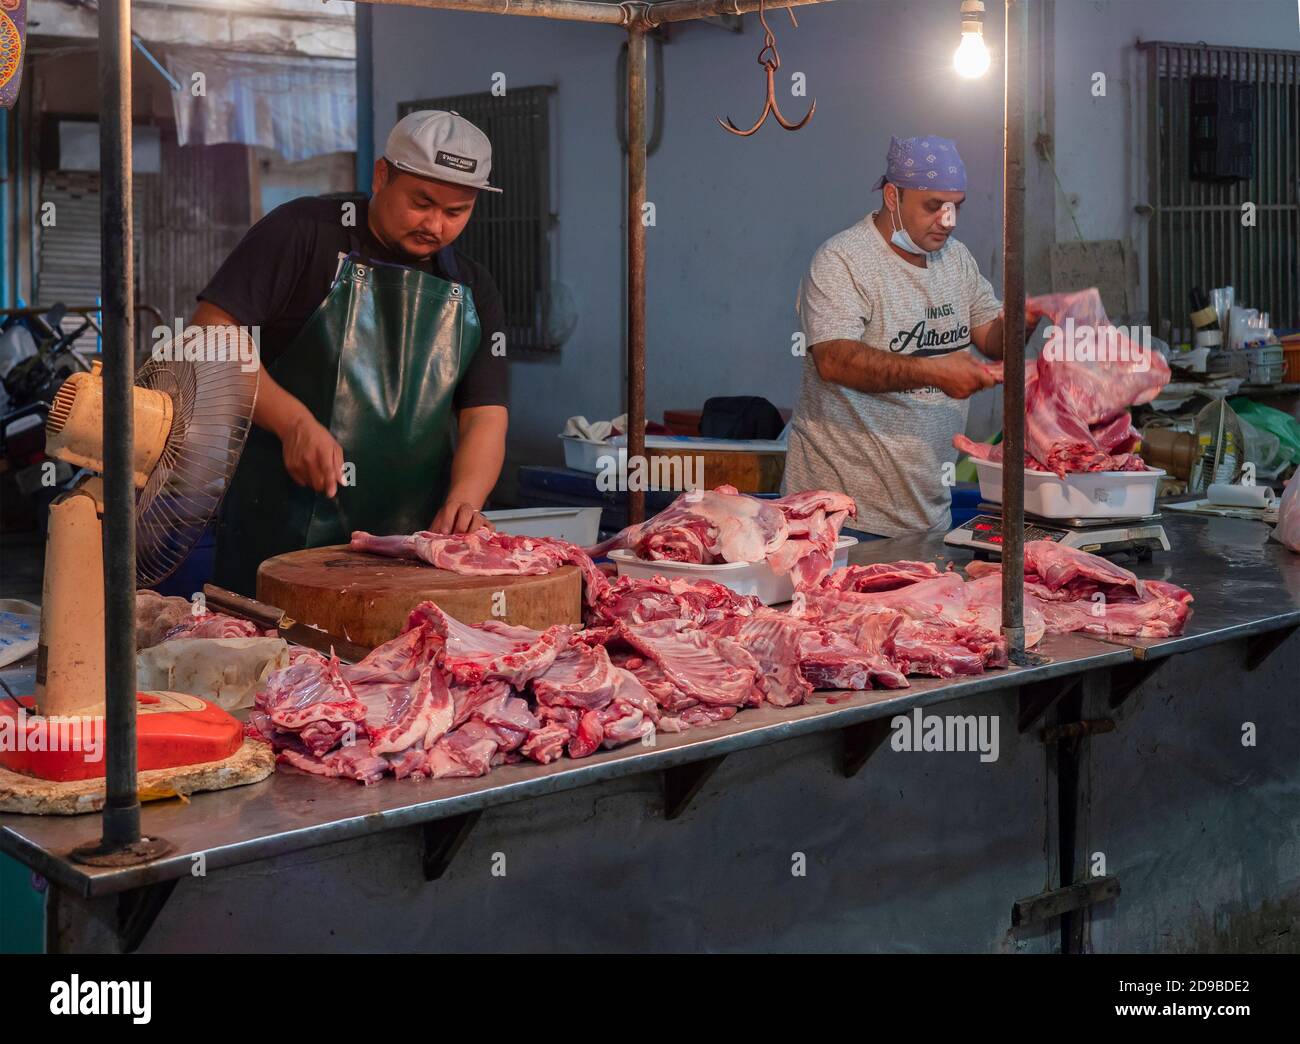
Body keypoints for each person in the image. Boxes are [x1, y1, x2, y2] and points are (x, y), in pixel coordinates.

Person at [197, 111, 509, 594]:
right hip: (279, 538)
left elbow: (484, 413)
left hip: (408, 551)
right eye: (421, 202)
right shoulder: (303, 232)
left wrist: (466, 498)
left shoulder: (472, 286)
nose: (434, 225)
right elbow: (210, 336)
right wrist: (293, 422)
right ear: (382, 175)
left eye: (456, 212)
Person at [783, 134, 1013, 538]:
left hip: (928, 519)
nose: (948, 221)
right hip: (842, 522)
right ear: (893, 196)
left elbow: (992, 340)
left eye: (955, 207)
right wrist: (936, 372)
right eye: (933, 206)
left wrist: (1022, 319)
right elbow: (834, 360)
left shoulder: (955, 259)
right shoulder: (843, 260)